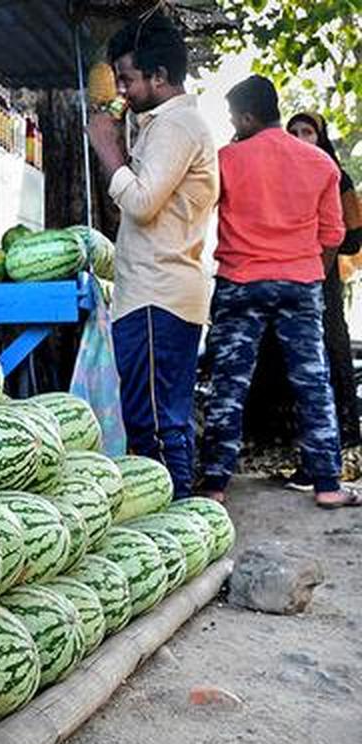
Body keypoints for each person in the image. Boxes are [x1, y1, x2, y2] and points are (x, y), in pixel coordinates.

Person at [199, 76, 358, 508]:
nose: (233, 124)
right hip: (300, 284)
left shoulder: (226, 159)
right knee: (313, 382)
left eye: (234, 117)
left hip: (240, 281)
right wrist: (309, 274)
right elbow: (333, 235)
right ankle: (327, 485)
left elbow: (198, 213)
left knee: (229, 382)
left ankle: (214, 484)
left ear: (248, 116)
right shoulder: (321, 164)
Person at [86, 11, 218, 499]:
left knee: (155, 426)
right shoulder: (165, 125)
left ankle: (176, 524)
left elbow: (141, 204)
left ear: (159, 76)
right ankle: (182, 521)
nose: (121, 89)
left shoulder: (176, 126)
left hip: (156, 297)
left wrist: (107, 148)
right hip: (159, 296)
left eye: (128, 78)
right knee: (163, 422)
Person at [280, 111, 362, 485]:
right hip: (287, 279)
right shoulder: (280, 176)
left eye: (308, 132)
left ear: (321, 137)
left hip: (322, 282)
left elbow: (353, 239)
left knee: (329, 356)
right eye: (293, 132)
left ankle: (343, 446)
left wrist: (317, 236)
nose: (300, 139)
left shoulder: (337, 177)